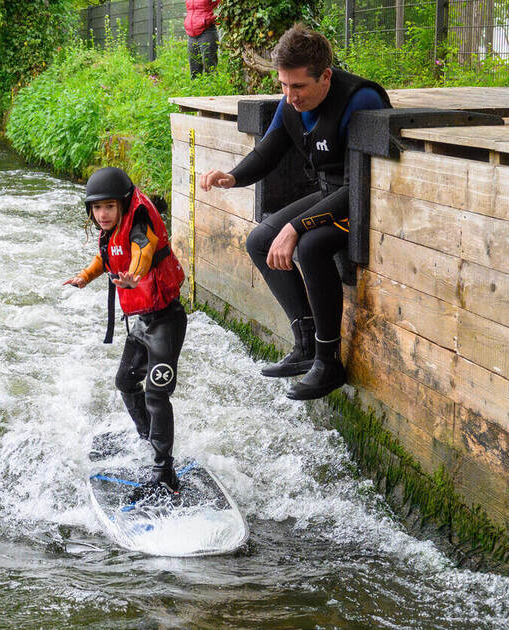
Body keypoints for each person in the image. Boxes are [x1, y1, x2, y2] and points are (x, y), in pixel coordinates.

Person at [199, 23, 390, 401]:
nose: (289, 96)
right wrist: (232, 177)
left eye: (298, 86)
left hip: (364, 201)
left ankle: (327, 360)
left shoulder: (360, 101)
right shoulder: (292, 104)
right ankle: (304, 345)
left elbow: (358, 189)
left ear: (326, 77)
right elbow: (268, 150)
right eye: (283, 85)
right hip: (329, 194)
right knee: (259, 240)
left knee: (310, 245)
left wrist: (296, 227)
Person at [65, 167, 188, 502]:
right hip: (141, 324)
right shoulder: (112, 229)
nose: (102, 214)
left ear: (121, 205)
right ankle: (152, 442)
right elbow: (106, 257)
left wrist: (134, 277)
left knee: (156, 395)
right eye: (96, 208)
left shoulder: (139, 223)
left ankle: (164, 473)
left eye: (109, 207)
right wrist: (83, 277)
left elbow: (142, 251)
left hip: (166, 321)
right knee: (125, 382)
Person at [185, 0, 220, 77]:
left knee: (210, 67)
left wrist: (210, 19)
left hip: (207, 31)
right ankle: (196, 88)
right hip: (191, 34)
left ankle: (212, 87)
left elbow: (221, 4)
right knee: (194, 70)